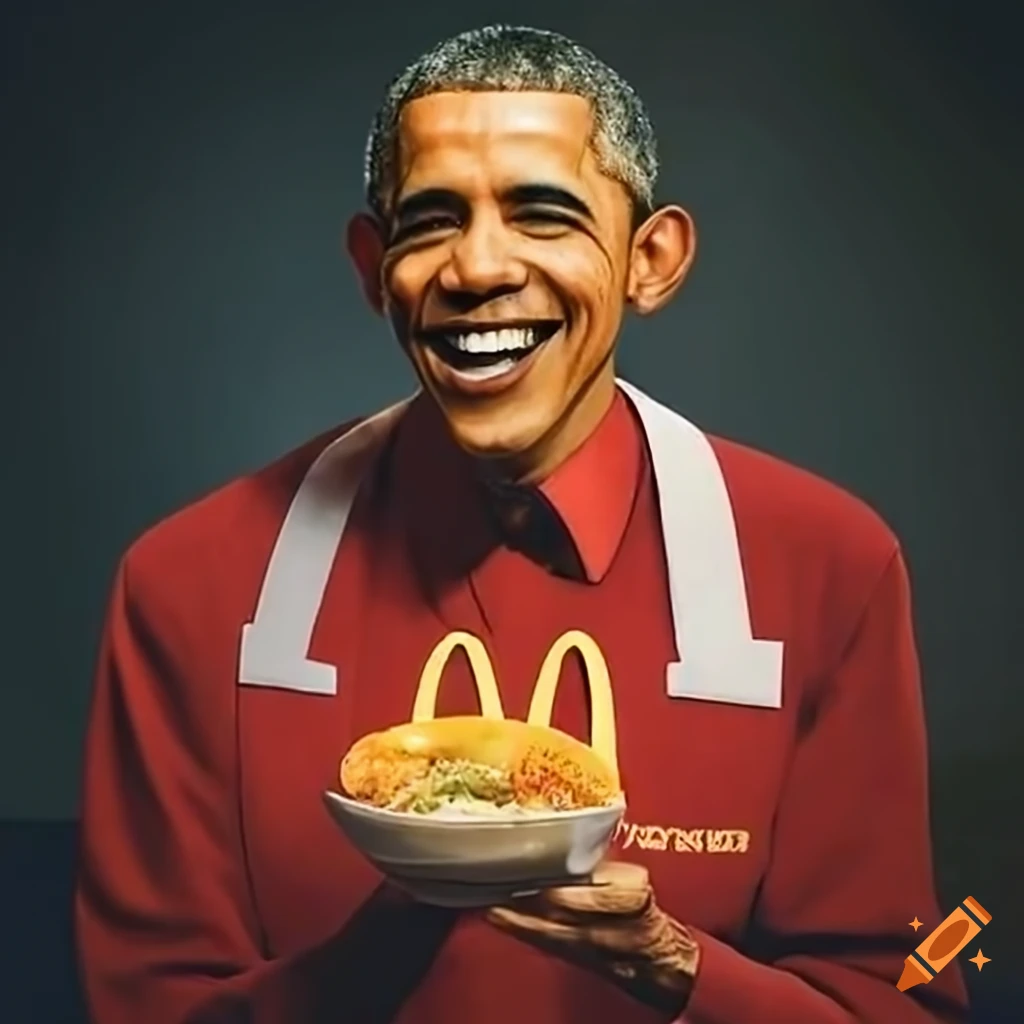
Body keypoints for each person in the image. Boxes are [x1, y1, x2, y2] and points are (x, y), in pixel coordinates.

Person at [75, 23, 969, 1024]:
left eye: (543, 215)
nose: (477, 268)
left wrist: (676, 964)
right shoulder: (193, 582)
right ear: (373, 267)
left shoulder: (828, 565)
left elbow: (912, 990)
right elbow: (141, 1006)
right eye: (430, 221)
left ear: (650, 260)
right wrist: (388, 936)